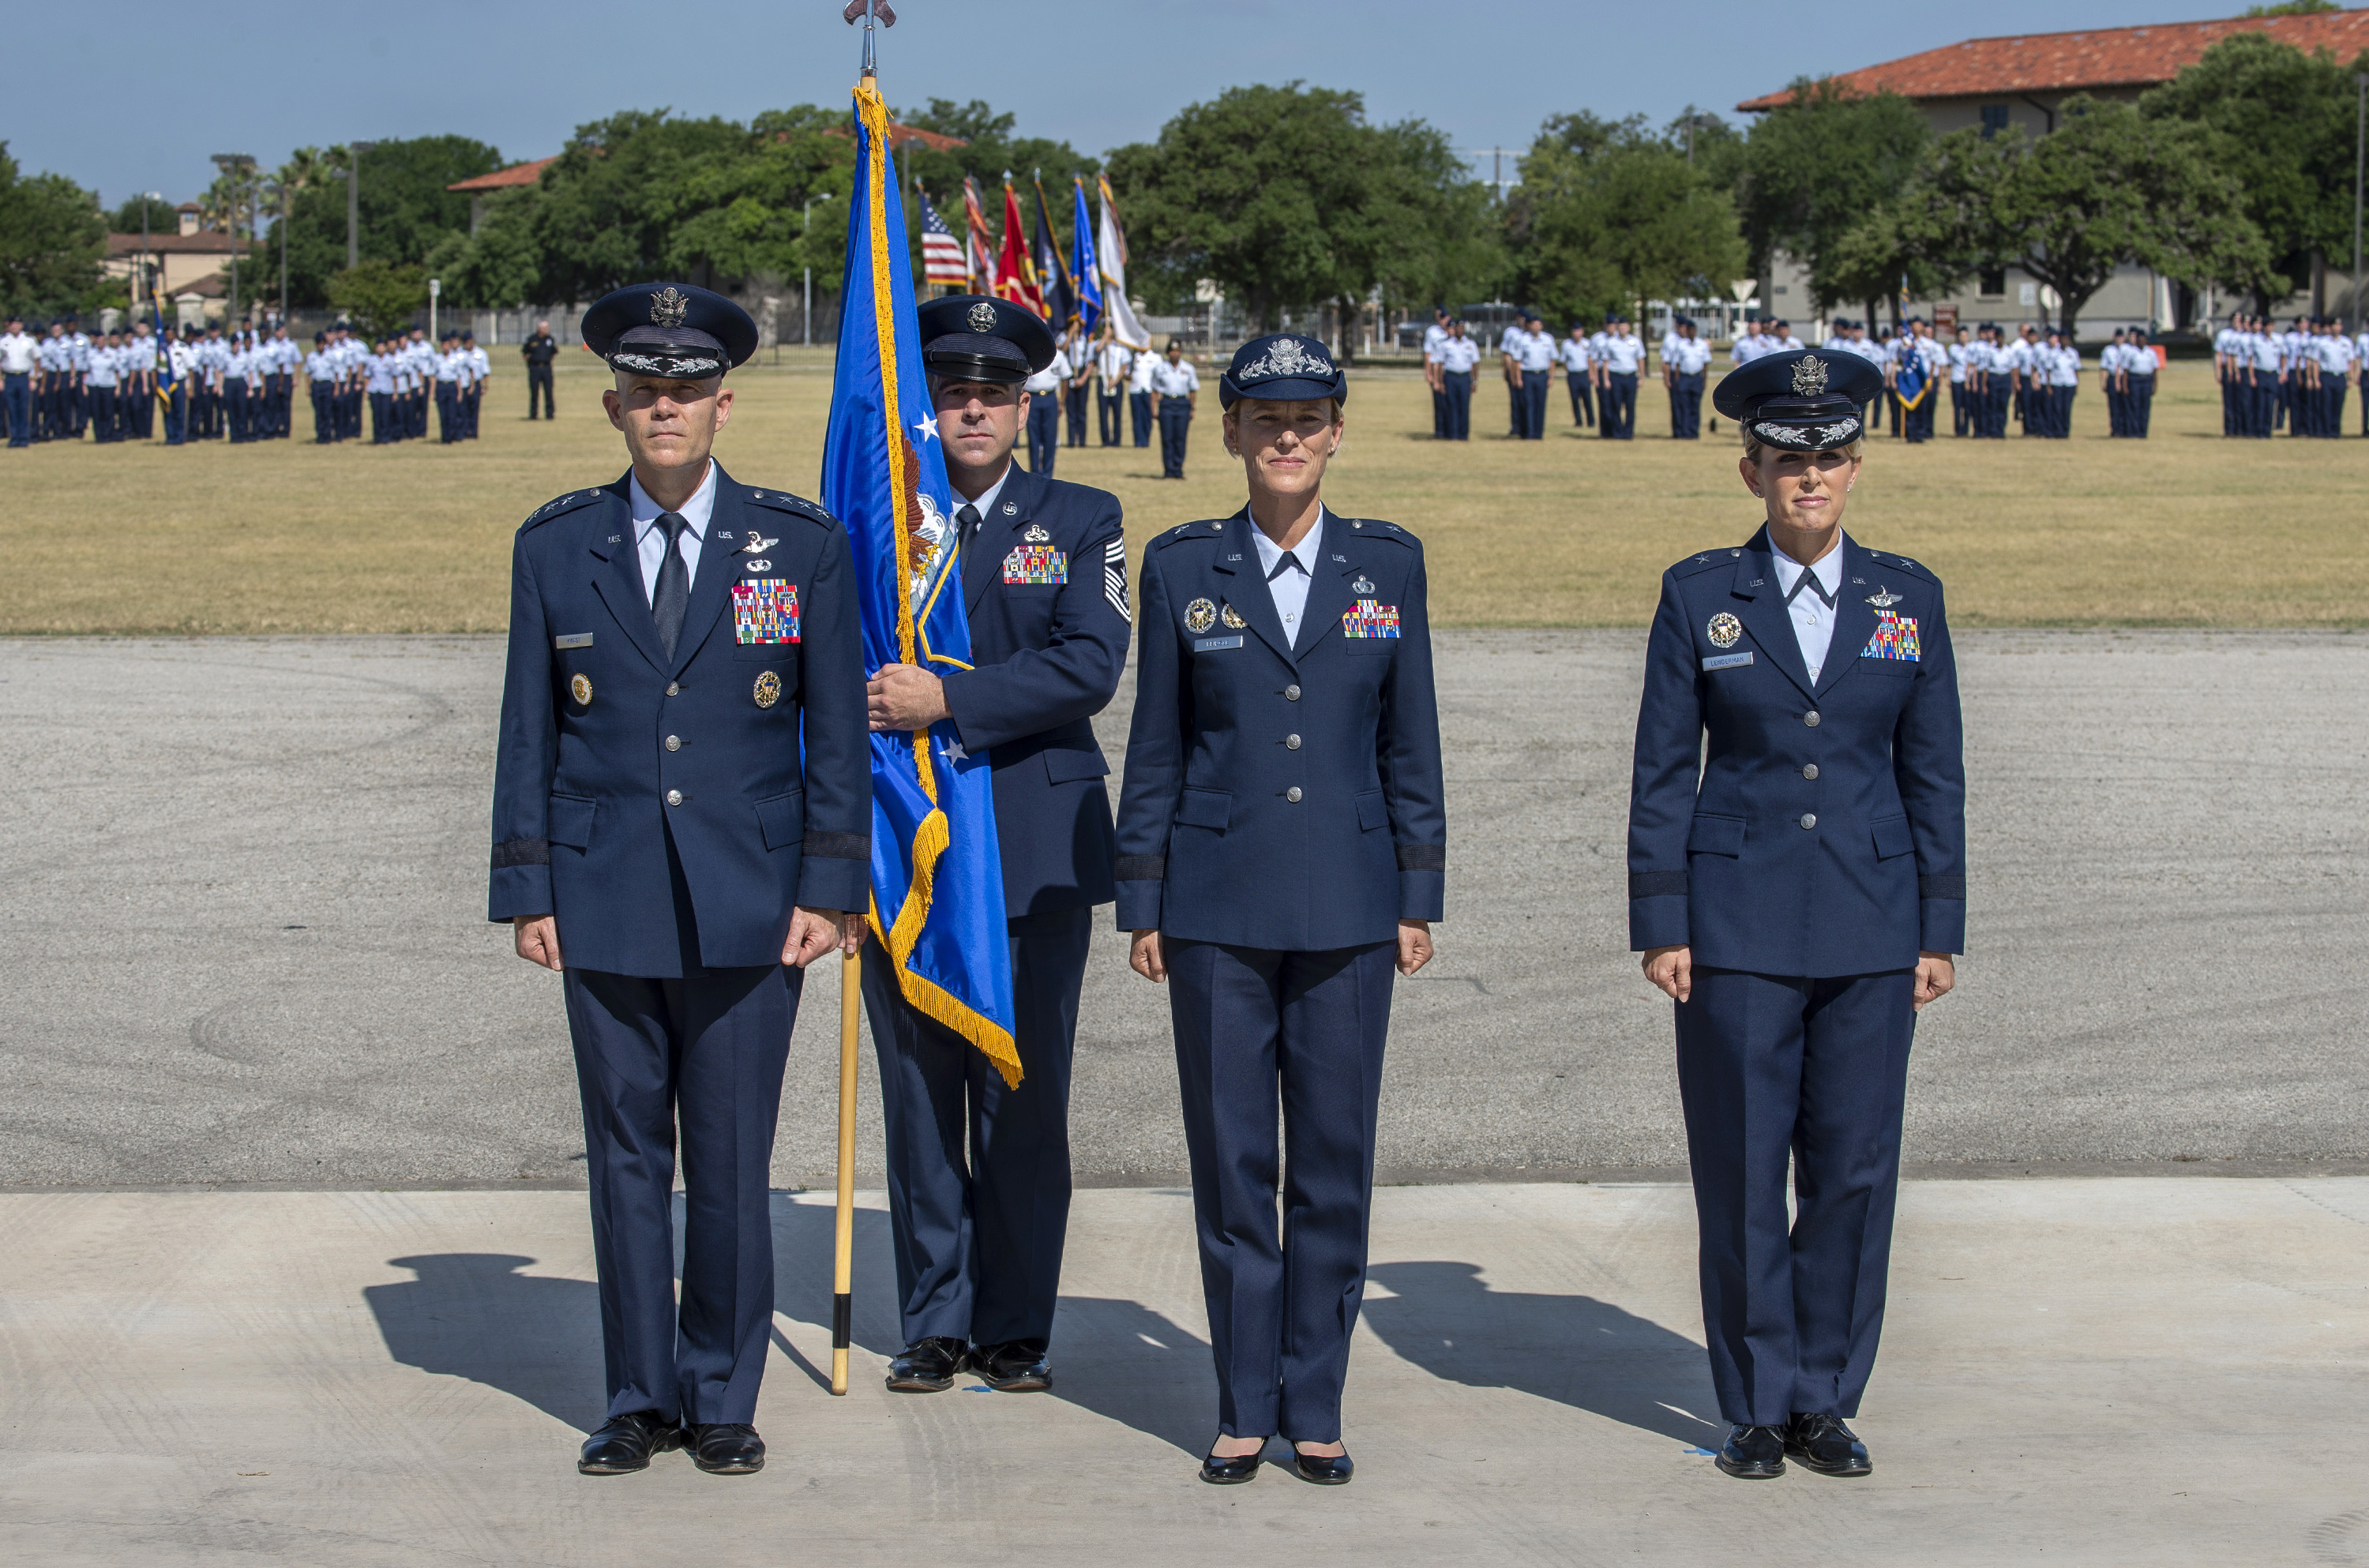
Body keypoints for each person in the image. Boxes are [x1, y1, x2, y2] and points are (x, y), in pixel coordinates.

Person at [488, 279, 869, 1479]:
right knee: (626, 1157)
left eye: (688, 391)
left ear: (724, 405)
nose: (668, 408)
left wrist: (831, 887)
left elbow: (834, 740)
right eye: (647, 391)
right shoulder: (557, 545)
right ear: (612, 405)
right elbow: (527, 730)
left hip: (754, 902)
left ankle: (720, 1393)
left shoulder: (799, 544)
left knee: (730, 1159)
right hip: (603, 894)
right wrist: (528, 886)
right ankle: (637, 1393)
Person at [1115, 332, 1444, 1487]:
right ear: (1232, 433)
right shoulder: (1180, 565)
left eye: (1308, 418)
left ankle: (1317, 1398)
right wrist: (1143, 897)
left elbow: (1412, 743)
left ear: (1339, 430)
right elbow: (1154, 745)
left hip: (1353, 905)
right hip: (1215, 906)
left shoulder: (1386, 566)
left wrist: (1417, 893)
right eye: (1266, 419)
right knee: (1233, 1158)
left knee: (1335, 1163)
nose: (1288, 437)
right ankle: (1243, 1399)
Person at [1632, 345, 1964, 1483]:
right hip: (1735, 924)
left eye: (1826, 460)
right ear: (1751, 472)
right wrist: (1662, 919)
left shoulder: (1905, 598)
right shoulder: (1699, 595)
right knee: (1739, 1167)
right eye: (1786, 461)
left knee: (1853, 1170)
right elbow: (1663, 771)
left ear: (1857, 469)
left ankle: (1824, 1393)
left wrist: (1940, 924)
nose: (1807, 478)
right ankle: (1756, 1402)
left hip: (1874, 923)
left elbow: (1935, 774)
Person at [858, 294, 1131, 1396]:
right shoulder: (879, 525)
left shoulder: (1079, 515)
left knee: (1024, 1097)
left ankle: (1015, 1323)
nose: (974, 411)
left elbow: (1090, 663)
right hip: (908, 849)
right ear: (929, 406)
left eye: (995, 393)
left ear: (1028, 404)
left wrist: (948, 699)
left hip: (1031, 847)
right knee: (920, 1097)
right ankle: (934, 1317)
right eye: (954, 392)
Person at [1022, 329, 1072, 475]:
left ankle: (1048, 474)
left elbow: (1066, 378)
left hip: (1050, 397)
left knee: (1050, 438)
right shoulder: (1029, 353)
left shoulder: (1058, 355)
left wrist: (1062, 401)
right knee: (1033, 438)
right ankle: (1035, 472)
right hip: (1032, 398)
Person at [1149, 339, 1200, 478]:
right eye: (1172, 351)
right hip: (1166, 403)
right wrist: (1153, 407)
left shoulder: (1188, 369)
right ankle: (1168, 469)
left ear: (1181, 353)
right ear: (1167, 353)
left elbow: (1193, 390)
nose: (1174, 354)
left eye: (1177, 351)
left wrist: (1192, 408)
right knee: (1167, 438)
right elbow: (1154, 390)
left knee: (1180, 438)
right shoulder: (1160, 368)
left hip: (1182, 403)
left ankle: (1178, 468)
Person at [1597, 315, 1644, 440]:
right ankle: (1617, 432)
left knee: (1630, 406)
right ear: (1617, 328)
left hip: (1630, 376)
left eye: (1624, 326)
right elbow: (1605, 362)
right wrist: (1606, 379)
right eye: (1620, 327)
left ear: (1628, 327)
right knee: (1615, 406)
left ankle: (1628, 433)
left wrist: (1641, 377)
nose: (1622, 329)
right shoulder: (1611, 343)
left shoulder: (1635, 342)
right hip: (1616, 377)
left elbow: (1640, 360)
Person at [1664, 317, 1711, 440]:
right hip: (1684, 377)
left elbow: (1705, 364)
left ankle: (1693, 431)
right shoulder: (1681, 345)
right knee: (1684, 406)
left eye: (1693, 330)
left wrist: (1704, 380)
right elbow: (1677, 364)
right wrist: (1677, 380)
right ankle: (1684, 432)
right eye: (1689, 330)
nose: (1691, 332)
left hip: (1696, 377)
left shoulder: (1702, 344)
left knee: (1695, 406)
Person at [1433, 318, 1478, 441]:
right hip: (1451, 377)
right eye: (1457, 327)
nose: (1459, 330)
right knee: (1452, 406)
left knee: (1464, 406)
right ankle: (1453, 433)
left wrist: (1474, 381)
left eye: (1462, 328)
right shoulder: (1447, 345)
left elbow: (1475, 364)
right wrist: (1441, 382)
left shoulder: (1470, 344)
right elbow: (1441, 364)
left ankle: (1463, 434)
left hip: (1464, 377)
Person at [4, 314, 39, 448]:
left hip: (24, 377)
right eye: (12, 324)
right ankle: (14, 437)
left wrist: (34, 378)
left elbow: (37, 360)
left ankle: (24, 438)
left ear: (21, 325)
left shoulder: (29, 341)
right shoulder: (4, 341)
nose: (15, 326)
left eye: (17, 324)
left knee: (24, 408)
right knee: (11, 409)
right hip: (10, 377)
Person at [1095, 325, 1131, 446]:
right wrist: (1105, 337)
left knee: (1117, 413)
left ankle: (1116, 440)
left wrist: (1115, 381)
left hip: (1116, 382)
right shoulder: (1101, 345)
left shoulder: (1121, 347)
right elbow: (1097, 350)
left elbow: (1124, 367)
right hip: (1103, 381)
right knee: (1103, 412)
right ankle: (1105, 440)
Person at [1421, 305, 1450, 438]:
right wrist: (1428, 373)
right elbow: (1428, 354)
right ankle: (1440, 431)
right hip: (1436, 371)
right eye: (1440, 317)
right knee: (1439, 403)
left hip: (1449, 371)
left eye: (1444, 317)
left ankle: (1451, 430)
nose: (1443, 320)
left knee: (1450, 402)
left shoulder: (1453, 330)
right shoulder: (1432, 332)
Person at [2123, 327, 2157, 438]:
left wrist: (2155, 385)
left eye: (2144, 339)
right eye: (2140, 339)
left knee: (2145, 407)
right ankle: (2134, 431)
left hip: (2146, 380)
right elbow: (2126, 371)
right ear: (2137, 340)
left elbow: (2155, 371)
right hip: (2134, 379)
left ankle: (2143, 432)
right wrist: (2125, 386)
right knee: (2135, 406)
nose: (2142, 341)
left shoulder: (2151, 353)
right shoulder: (2131, 352)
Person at [1563, 321, 1596, 430]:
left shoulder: (1587, 344)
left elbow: (1591, 359)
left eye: (1578, 331)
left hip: (1584, 374)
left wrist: (1591, 374)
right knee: (1574, 399)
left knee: (1587, 398)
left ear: (1582, 332)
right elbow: (1564, 360)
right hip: (1573, 374)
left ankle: (1591, 421)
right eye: (1574, 331)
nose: (1576, 333)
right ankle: (1578, 421)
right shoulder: (1567, 344)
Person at [524, 319, 559, 420]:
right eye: (545, 328)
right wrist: (530, 364)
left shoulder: (550, 339)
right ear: (540, 329)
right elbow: (525, 353)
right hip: (534, 368)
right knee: (534, 392)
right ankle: (533, 414)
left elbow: (554, 352)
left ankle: (549, 414)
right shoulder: (531, 339)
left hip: (547, 368)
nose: (547, 330)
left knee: (548, 391)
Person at [1128, 340, 1156, 448]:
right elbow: (1128, 373)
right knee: (1137, 417)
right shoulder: (1134, 357)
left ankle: (1146, 440)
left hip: (1149, 390)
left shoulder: (1155, 357)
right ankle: (1138, 441)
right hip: (1135, 390)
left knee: (1147, 416)